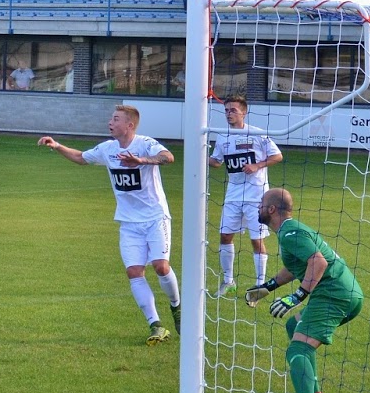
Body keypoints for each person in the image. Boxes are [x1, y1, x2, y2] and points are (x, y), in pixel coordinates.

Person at [38, 105, 182, 345]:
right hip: (128, 222)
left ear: (130, 125)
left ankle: (176, 306)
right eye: (111, 119)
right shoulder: (107, 148)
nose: (110, 123)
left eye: (116, 119)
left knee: (160, 266)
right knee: (134, 272)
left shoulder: (145, 143)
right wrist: (57, 146)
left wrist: (141, 161)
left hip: (155, 218)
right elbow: (81, 158)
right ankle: (156, 325)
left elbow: (168, 157)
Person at [244, 188, 364, 393]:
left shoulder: (290, 234)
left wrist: (298, 296)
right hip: (344, 293)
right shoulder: (291, 230)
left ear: (271, 209)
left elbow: (318, 262)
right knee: (294, 326)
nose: (258, 208)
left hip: (334, 296)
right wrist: (268, 286)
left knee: (297, 350)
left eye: (261, 204)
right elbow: (297, 265)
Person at [207, 96, 283, 297]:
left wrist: (257, 165)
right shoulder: (222, 136)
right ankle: (228, 281)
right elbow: (217, 162)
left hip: (256, 196)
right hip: (233, 195)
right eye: (226, 110)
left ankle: (259, 285)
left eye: (233, 110)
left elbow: (277, 156)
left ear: (244, 112)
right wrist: (200, 157)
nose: (229, 114)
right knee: (225, 235)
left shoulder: (257, 134)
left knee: (256, 239)